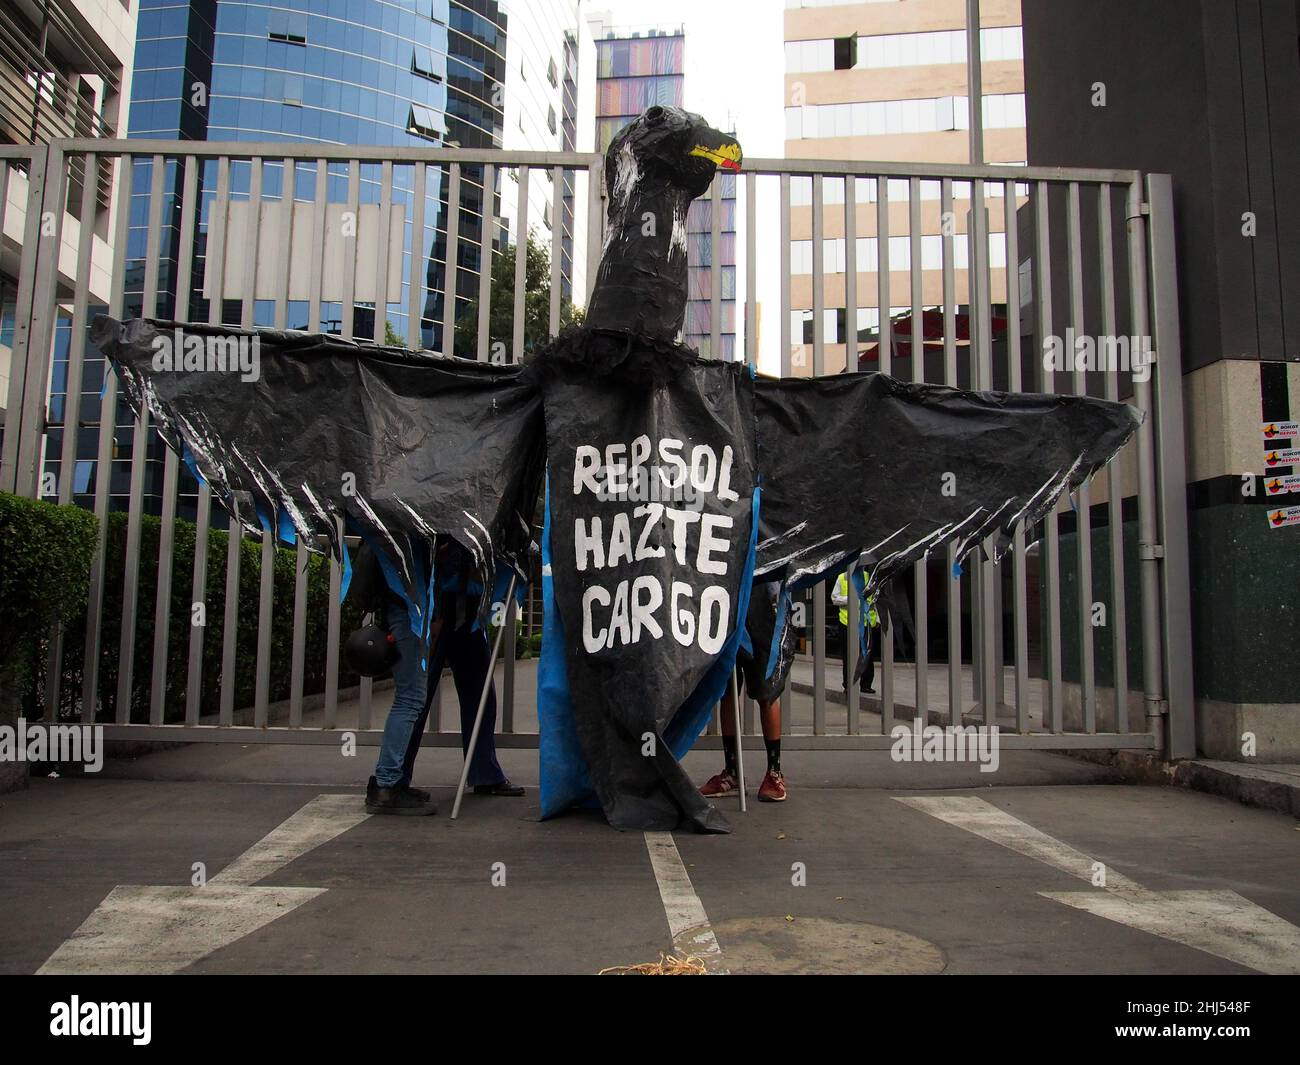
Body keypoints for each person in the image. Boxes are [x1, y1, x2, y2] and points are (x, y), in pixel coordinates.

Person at [353, 536, 521, 815]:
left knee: (475, 694)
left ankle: (477, 773)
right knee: (415, 696)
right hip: (431, 605)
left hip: (455, 604)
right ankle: (392, 781)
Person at [700, 582, 793, 803]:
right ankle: (732, 772)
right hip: (728, 598)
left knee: (767, 692)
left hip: (763, 606)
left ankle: (774, 772)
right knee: (728, 691)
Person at [833, 570, 877, 695]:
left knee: (867, 654)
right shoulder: (842, 577)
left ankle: (866, 684)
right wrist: (850, 598)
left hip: (866, 621)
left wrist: (877, 618)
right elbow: (834, 598)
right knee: (848, 655)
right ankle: (848, 685)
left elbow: (875, 598)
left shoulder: (868, 576)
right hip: (846, 622)